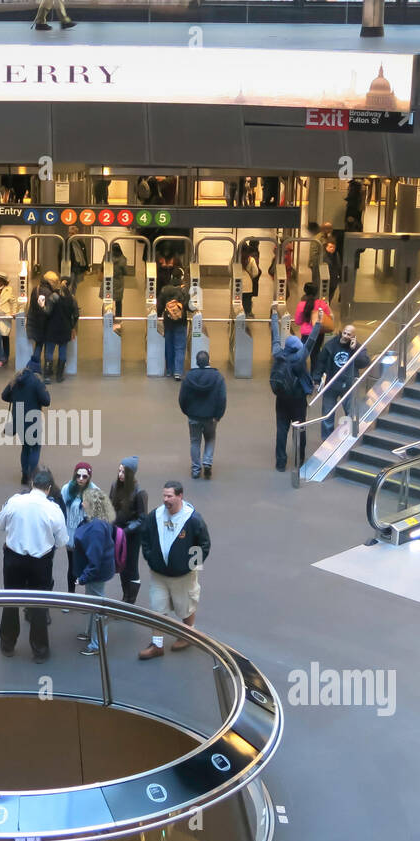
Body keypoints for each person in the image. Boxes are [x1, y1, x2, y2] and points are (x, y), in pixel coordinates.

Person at [0, 469, 68, 662]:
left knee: (10, 601)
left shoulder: (15, 501)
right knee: (39, 605)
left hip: (14, 559)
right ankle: (40, 650)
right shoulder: (53, 509)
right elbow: (62, 541)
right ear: (49, 488)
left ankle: (7, 643)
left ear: (32, 484)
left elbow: (0, 523)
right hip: (41, 563)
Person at [137, 481, 210, 661]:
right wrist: (150, 558)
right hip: (159, 574)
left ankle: (187, 636)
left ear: (180, 496)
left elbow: (204, 544)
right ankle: (157, 645)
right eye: (164, 496)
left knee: (185, 607)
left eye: (169, 496)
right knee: (157, 608)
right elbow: (145, 537)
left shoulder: (192, 519)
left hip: (183, 576)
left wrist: (190, 566)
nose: (166, 500)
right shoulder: (156, 515)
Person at [271, 301, 322, 471]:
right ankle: (299, 460)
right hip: (298, 398)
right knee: (300, 429)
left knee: (281, 430)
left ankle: (280, 462)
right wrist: (319, 322)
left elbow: (275, 336)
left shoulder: (278, 353)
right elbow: (312, 341)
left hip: (281, 398)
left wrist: (274, 314)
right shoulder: (300, 358)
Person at [74, 485, 117, 656]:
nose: (82, 503)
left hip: (95, 574)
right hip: (95, 573)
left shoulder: (96, 527)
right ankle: (92, 635)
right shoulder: (96, 521)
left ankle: (97, 644)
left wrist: (83, 578)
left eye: (84, 500)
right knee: (93, 604)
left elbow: (95, 559)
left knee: (98, 608)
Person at [1, 356, 51, 484]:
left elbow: (4, 395)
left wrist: (16, 398)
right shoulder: (37, 382)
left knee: (25, 447)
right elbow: (46, 401)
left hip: (18, 419)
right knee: (35, 447)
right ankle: (34, 477)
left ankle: (25, 475)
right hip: (33, 419)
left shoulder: (16, 379)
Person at [316, 323, 371, 438]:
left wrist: (354, 349)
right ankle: (326, 440)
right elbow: (320, 362)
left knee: (350, 414)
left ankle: (348, 437)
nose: (345, 336)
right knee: (327, 415)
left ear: (353, 336)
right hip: (331, 385)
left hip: (348, 386)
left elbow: (364, 363)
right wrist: (316, 380)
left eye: (349, 334)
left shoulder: (357, 347)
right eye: (344, 333)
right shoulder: (330, 345)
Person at [180, 351, 227, 480]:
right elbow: (222, 398)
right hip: (211, 417)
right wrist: (218, 416)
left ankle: (196, 470)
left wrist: (187, 411)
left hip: (193, 416)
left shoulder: (189, 377)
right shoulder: (218, 377)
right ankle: (207, 463)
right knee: (210, 439)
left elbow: (182, 397)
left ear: (196, 362)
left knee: (195, 441)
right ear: (209, 361)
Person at [109, 456, 148, 604]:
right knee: (121, 564)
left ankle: (130, 599)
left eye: (124, 472)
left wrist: (125, 531)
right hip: (118, 533)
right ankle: (126, 595)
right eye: (119, 471)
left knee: (131, 567)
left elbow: (142, 519)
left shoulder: (140, 492)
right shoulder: (115, 485)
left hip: (131, 537)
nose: (120, 475)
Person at [61, 461, 94, 594]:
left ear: (89, 477)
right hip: (71, 534)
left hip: (86, 535)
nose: (80, 479)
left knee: (87, 566)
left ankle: (88, 598)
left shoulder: (94, 491)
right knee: (72, 567)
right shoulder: (66, 489)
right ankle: (71, 596)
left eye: (84, 476)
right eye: (78, 476)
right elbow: (61, 509)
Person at [42, 277, 77, 384]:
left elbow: (47, 312)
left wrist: (42, 306)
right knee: (62, 352)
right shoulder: (72, 298)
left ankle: (47, 376)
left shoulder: (54, 296)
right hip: (65, 329)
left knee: (49, 352)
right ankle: (59, 376)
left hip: (52, 328)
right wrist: (72, 327)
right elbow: (76, 315)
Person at [158, 266, 190, 381]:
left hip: (168, 322)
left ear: (171, 276)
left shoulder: (165, 289)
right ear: (182, 277)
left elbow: (160, 306)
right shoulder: (184, 290)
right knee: (180, 347)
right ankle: (178, 372)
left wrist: (157, 316)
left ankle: (169, 370)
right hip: (181, 322)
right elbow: (188, 306)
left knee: (169, 345)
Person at [295, 283, 334, 375]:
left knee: (303, 354)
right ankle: (315, 377)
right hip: (319, 333)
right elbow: (328, 317)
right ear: (317, 292)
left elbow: (298, 322)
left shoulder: (301, 305)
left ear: (305, 291)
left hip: (306, 334)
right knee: (315, 354)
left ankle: (301, 374)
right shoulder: (322, 304)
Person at [26, 269, 58, 362]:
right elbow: (49, 311)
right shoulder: (50, 293)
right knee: (48, 350)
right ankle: (47, 371)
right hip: (46, 325)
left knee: (38, 346)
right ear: (51, 282)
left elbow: (32, 306)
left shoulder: (35, 289)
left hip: (35, 323)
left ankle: (35, 368)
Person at [238, 240, 261, 318]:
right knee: (247, 300)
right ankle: (247, 314)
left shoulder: (234, 259)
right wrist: (250, 277)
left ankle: (237, 315)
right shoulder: (251, 259)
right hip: (247, 284)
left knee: (236, 301)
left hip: (236, 284)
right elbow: (255, 272)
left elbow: (230, 270)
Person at [67, 224, 90, 294]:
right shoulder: (66, 242)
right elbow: (60, 256)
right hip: (70, 266)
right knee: (70, 284)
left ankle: (72, 297)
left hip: (78, 266)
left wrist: (86, 268)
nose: (71, 235)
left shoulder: (80, 242)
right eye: (69, 233)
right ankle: (68, 299)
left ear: (76, 234)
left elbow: (84, 255)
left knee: (75, 284)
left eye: (73, 233)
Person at [109, 241, 128, 320]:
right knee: (118, 302)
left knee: (107, 300)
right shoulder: (122, 259)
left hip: (108, 281)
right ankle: (118, 318)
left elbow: (102, 267)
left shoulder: (107, 256)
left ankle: (106, 316)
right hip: (118, 282)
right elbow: (125, 272)